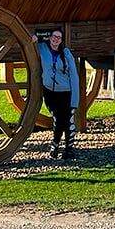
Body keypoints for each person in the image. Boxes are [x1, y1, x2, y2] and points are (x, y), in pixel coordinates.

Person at [32, 30, 79, 159]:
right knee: (58, 120)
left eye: (59, 38)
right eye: (54, 36)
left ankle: (69, 150)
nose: (56, 39)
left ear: (61, 40)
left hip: (66, 92)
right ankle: (55, 145)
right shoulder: (42, 49)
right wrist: (36, 37)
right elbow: (33, 39)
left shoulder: (66, 54)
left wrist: (75, 100)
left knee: (68, 120)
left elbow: (74, 76)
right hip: (50, 92)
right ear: (50, 37)